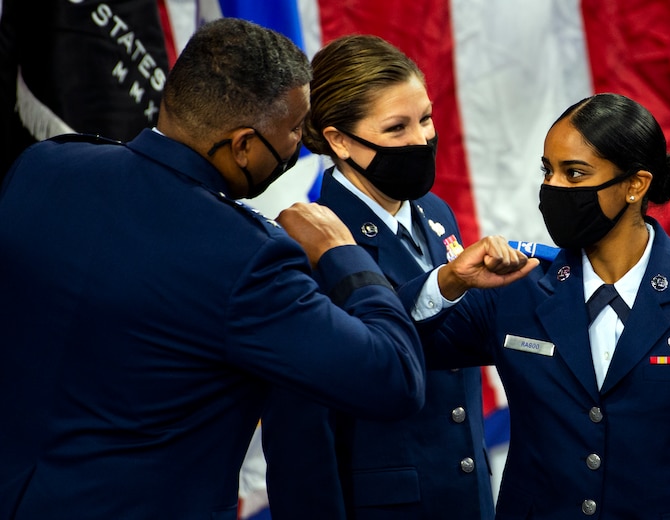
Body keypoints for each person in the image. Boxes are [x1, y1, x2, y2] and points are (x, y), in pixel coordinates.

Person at [0, 18, 432, 519]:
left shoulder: (43, 166)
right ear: (244, 145)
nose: (299, 144)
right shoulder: (248, 259)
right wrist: (344, 254)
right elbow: (394, 377)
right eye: (294, 129)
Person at [400, 93, 670, 519]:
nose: (554, 187)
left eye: (575, 174)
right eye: (548, 171)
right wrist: (448, 280)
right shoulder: (514, 286)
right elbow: (393, 348)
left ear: (636, 185)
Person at [260, 34, 520, 519]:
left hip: (464, 493)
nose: (421, 140)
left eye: (424, 118)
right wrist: (443, 285)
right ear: (339, 140)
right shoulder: (308, 239)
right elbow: (305, 418)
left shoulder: (434, 211)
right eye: (396, 128)